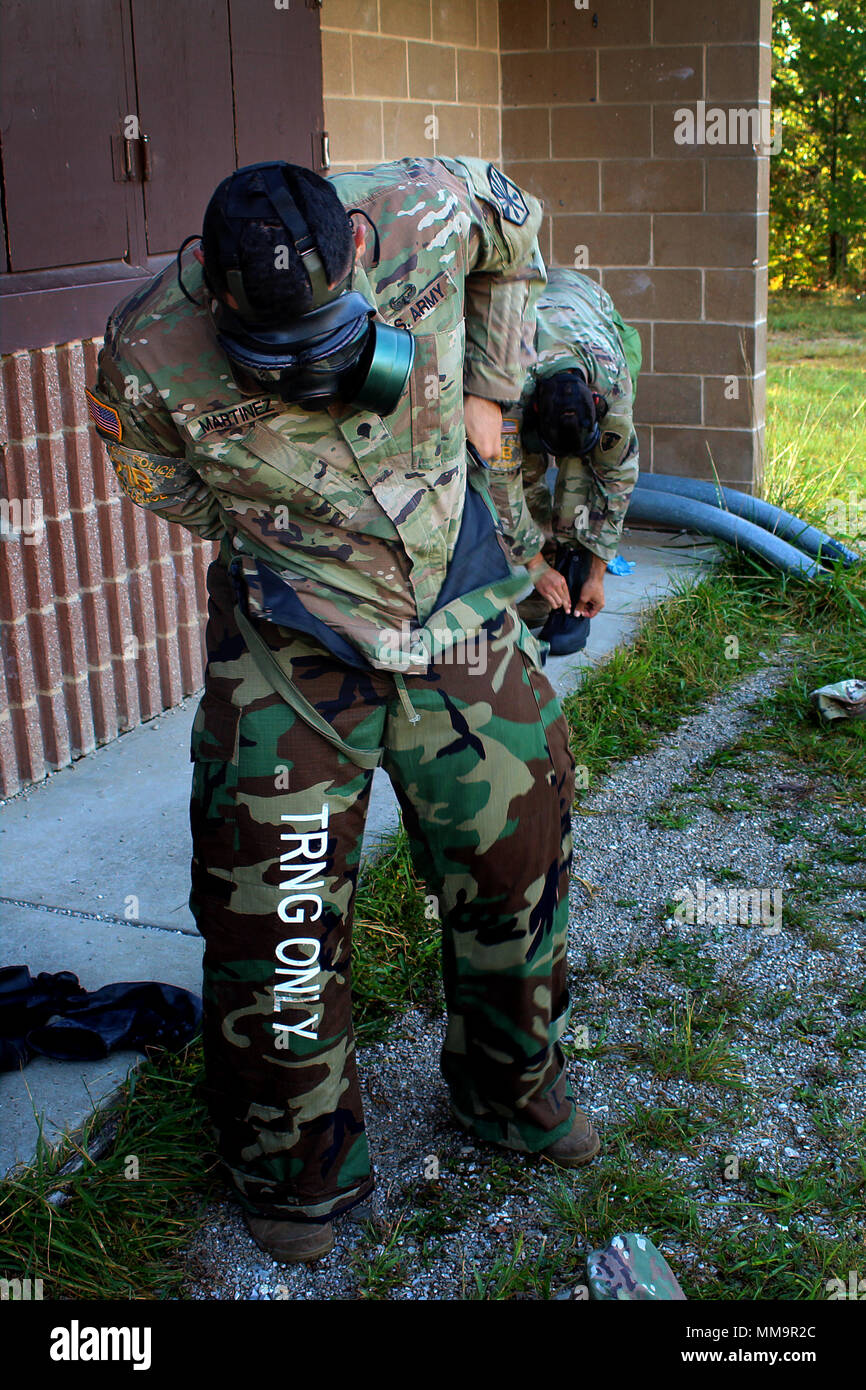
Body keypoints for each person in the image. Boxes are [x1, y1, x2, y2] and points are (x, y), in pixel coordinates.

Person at [85, 156, 599, 1266]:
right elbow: (159, 477)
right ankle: (297, 1166)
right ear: (213, 292)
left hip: (455, 602)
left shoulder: (427, 207)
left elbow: (516, 233)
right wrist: (280, 525)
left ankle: (513, 1089)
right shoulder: (143, 350)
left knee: (518, 854)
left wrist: (488, 394)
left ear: (361, 251)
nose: (305, 375)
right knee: (269, 913)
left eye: (325, 340)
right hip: (291, 641)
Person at [490, 267, 642, 654]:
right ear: (534, 407)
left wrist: (597, 572)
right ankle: (549, 578)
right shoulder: (508, 383)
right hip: (535, 308)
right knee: (523, 470)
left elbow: (616, 484)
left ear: (596, 402)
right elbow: (502, 482)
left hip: (590, 306)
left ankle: (572, 577)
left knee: (581, 474)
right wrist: (536, 564)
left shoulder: (612, 383)